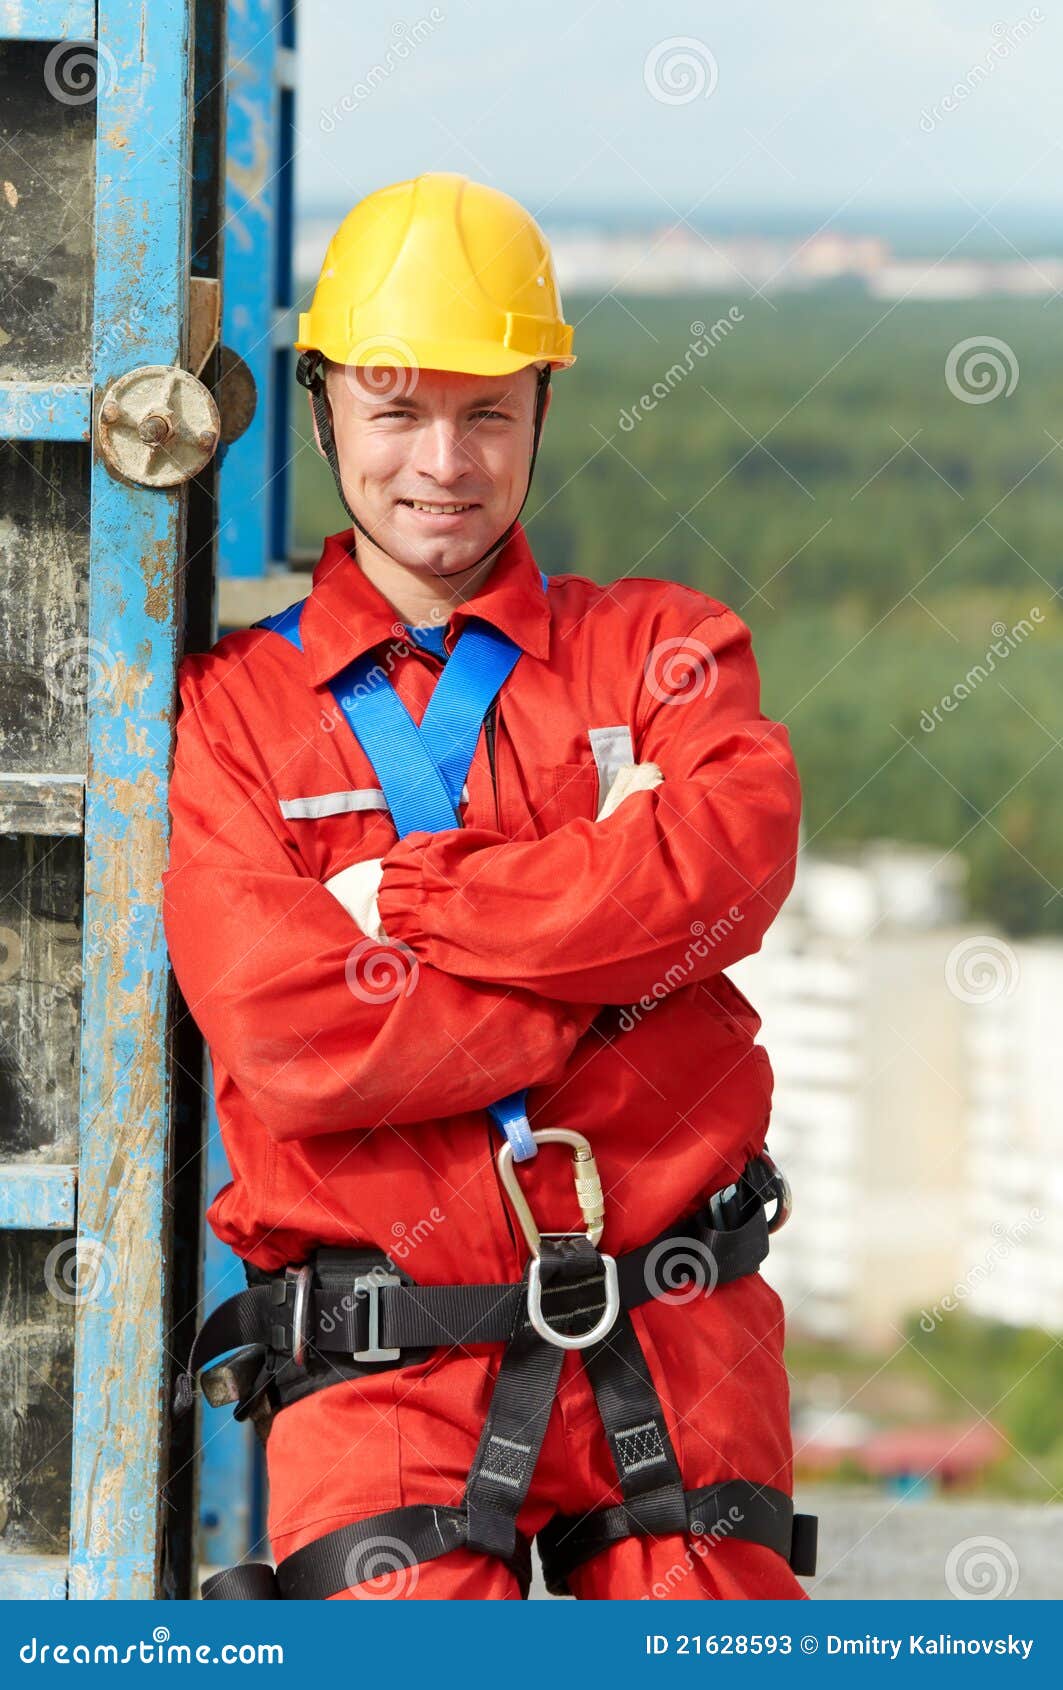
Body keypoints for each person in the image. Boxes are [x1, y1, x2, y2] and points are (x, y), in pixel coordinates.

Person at [164, 171, 815, 1601]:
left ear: (541, 413)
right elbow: (286, 1031)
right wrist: (612, 987)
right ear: (324, 408)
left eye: (489, 414)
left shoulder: (664, 654)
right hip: (386, 1368)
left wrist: (406, 904)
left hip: (675, 1324)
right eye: (397, 411)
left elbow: (726, 871)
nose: (444, 463)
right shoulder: (233, 716)